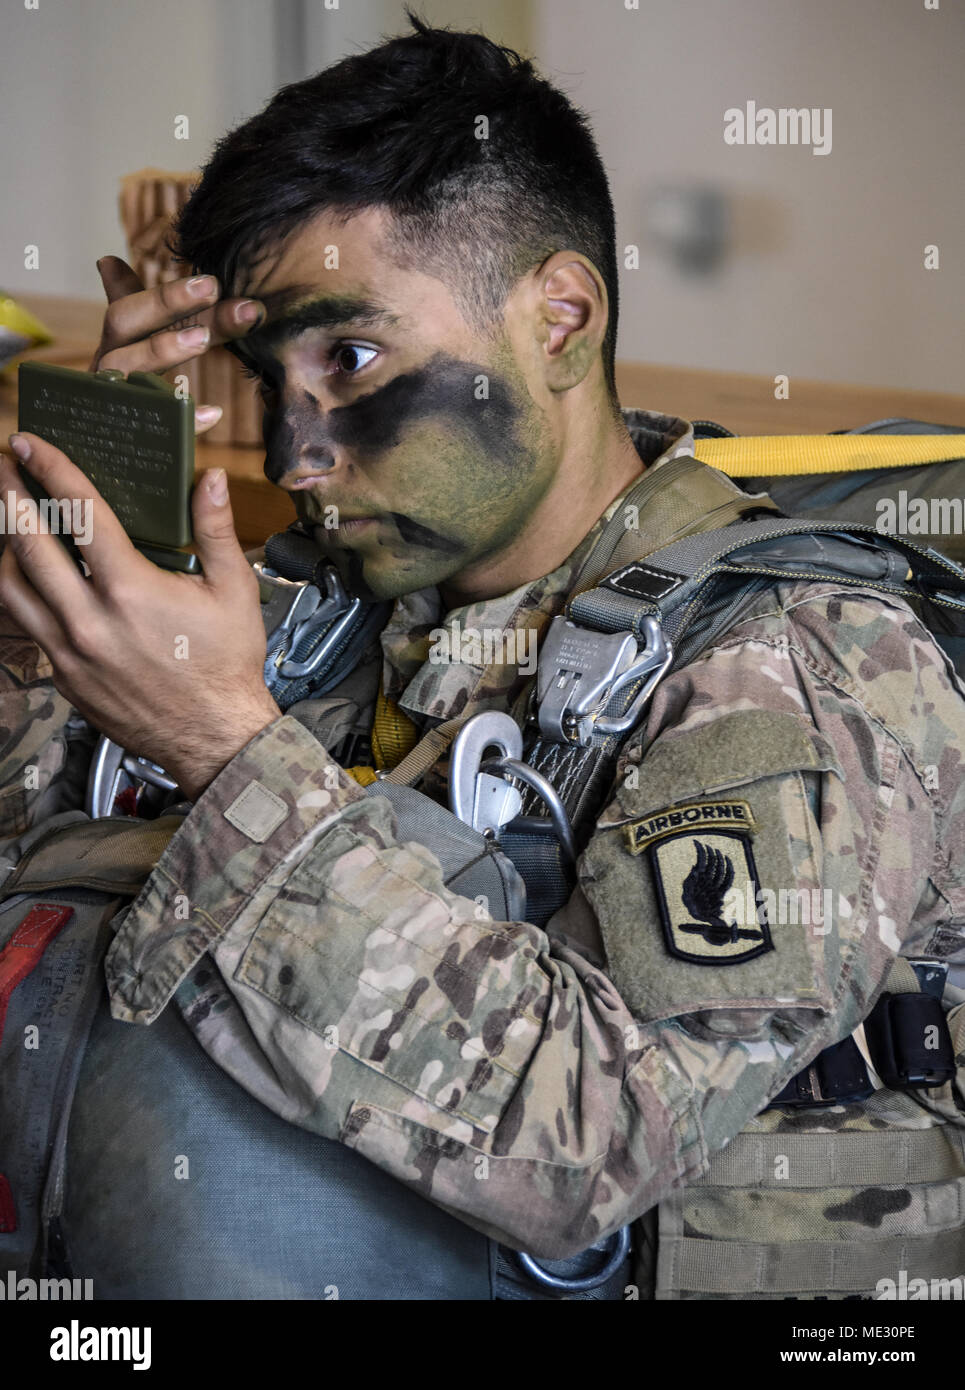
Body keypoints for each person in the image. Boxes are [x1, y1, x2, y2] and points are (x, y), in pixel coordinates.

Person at [1, 16, 963, 1300]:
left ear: (559, 318)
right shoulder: (318, 601)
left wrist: (224, 752)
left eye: (348, 356)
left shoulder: (794, 658)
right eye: (263, 375)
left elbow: (591, 1146)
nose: (293, 454)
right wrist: (83, 594)